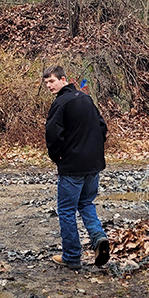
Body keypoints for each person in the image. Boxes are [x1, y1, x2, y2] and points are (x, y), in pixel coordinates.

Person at [43, 65, 110, 270]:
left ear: (64, 79)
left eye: (52, 81)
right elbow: (102, 127)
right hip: (93, 165)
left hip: (72, 167)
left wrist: (58, 158)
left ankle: (72, 256)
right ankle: (99, 239)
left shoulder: (61, 103)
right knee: (86, 203)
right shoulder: (86, 99)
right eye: (46, 83)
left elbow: (52, 135)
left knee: (66, 210)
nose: (48, 86)